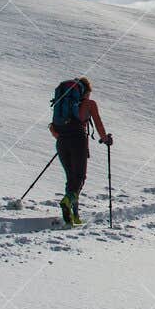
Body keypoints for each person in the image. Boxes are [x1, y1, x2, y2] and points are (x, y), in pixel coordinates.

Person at [50, 76, 112, 226]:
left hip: (62, 142)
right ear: (85, 91)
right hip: (78, 140)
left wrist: (64, 137)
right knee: (79, 177)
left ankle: (74, 216)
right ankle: (67, 202)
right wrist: (105, 139)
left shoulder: (61, 105)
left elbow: (53, 128)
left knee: (71, 178)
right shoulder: (89, 104)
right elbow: (98, 123)